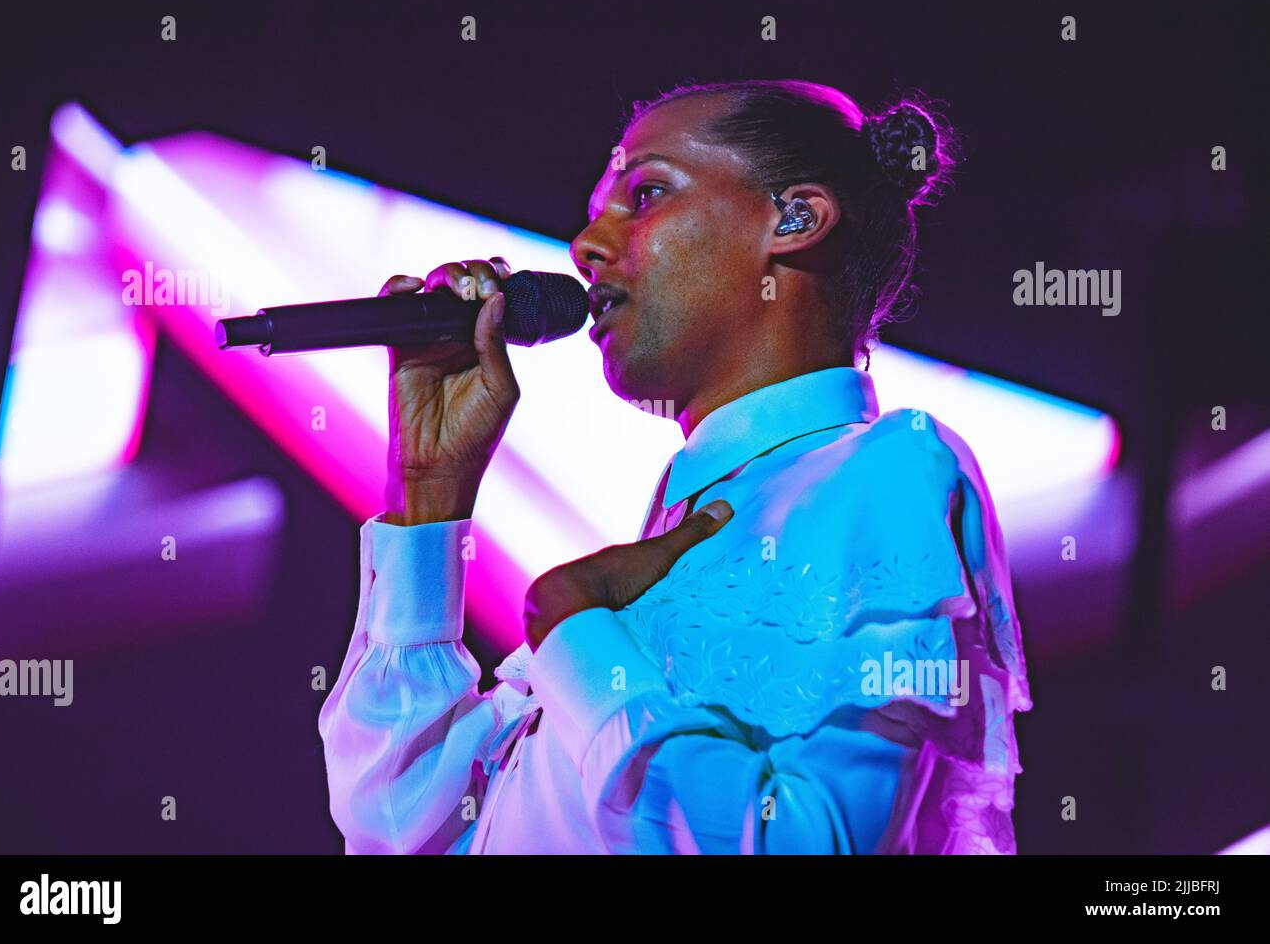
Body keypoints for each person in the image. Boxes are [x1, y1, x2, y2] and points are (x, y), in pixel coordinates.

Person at [318, 79, 1032, 854]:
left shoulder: (884, 471)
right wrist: (431, 493)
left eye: (646, 194)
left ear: (794, 220)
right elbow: (400, 829)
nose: (585, 247)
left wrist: (571, 618)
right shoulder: (662, 544)